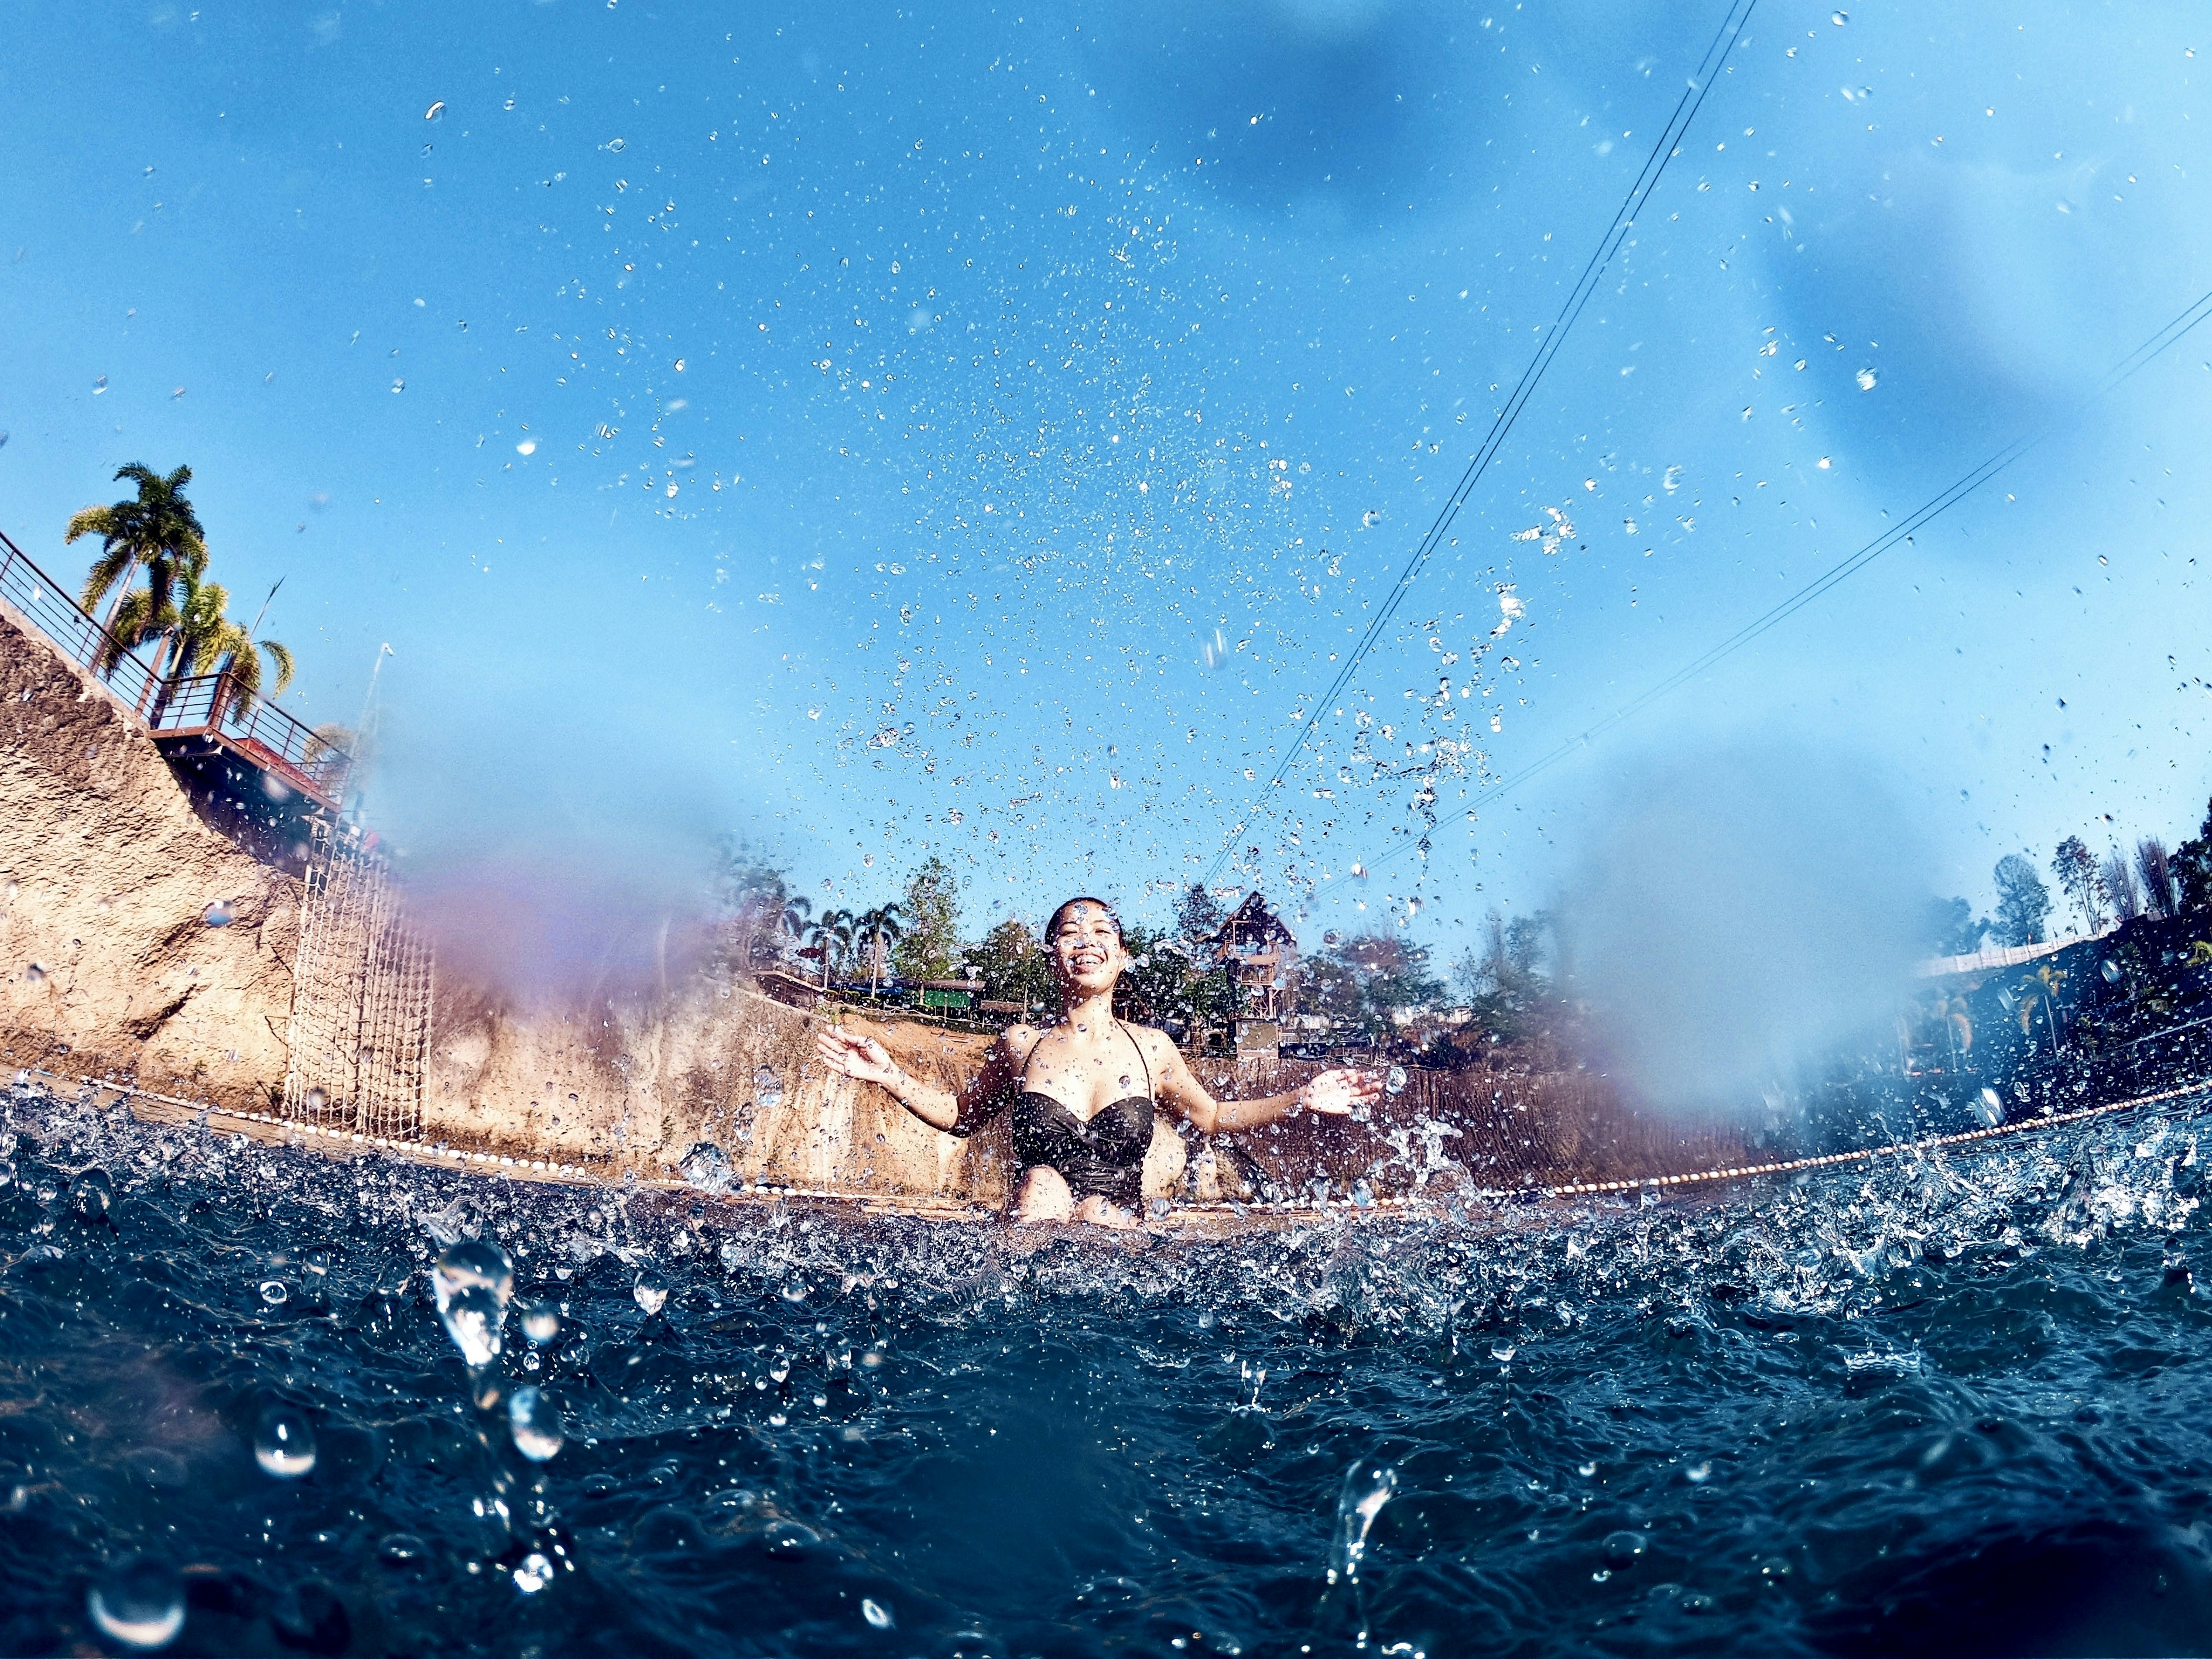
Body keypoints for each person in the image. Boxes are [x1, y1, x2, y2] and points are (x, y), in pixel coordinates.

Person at [812, 895, 1383, 1227]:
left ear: (1123, 954)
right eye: (1068, 932)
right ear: (1050, 953)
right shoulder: (1020, 1044)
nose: (1085, 939)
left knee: (1094, 1211)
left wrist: (1300, 1098)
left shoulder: (1152, 1047)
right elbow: (961, 1116)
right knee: (1041, 1185)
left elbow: (1210, 1118)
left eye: (1101, 929)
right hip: (1030, 1239)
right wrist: (886, 1072)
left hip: (1117, 1246)